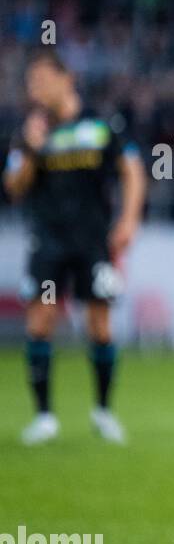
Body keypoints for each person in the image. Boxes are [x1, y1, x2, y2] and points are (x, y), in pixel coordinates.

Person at [3, 49, 146, 445]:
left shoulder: (101, 124)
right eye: (31, 83)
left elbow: (132, 170)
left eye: (42, 80)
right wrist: (32, 147)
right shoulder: (28, 132)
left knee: (99, 323)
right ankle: (44, 416)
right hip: (46, 241)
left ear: (66, 79)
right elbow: (13, 188)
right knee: (40, 320)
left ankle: (103, 411)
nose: (36, 89)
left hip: (92, 241)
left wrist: (130, 219)